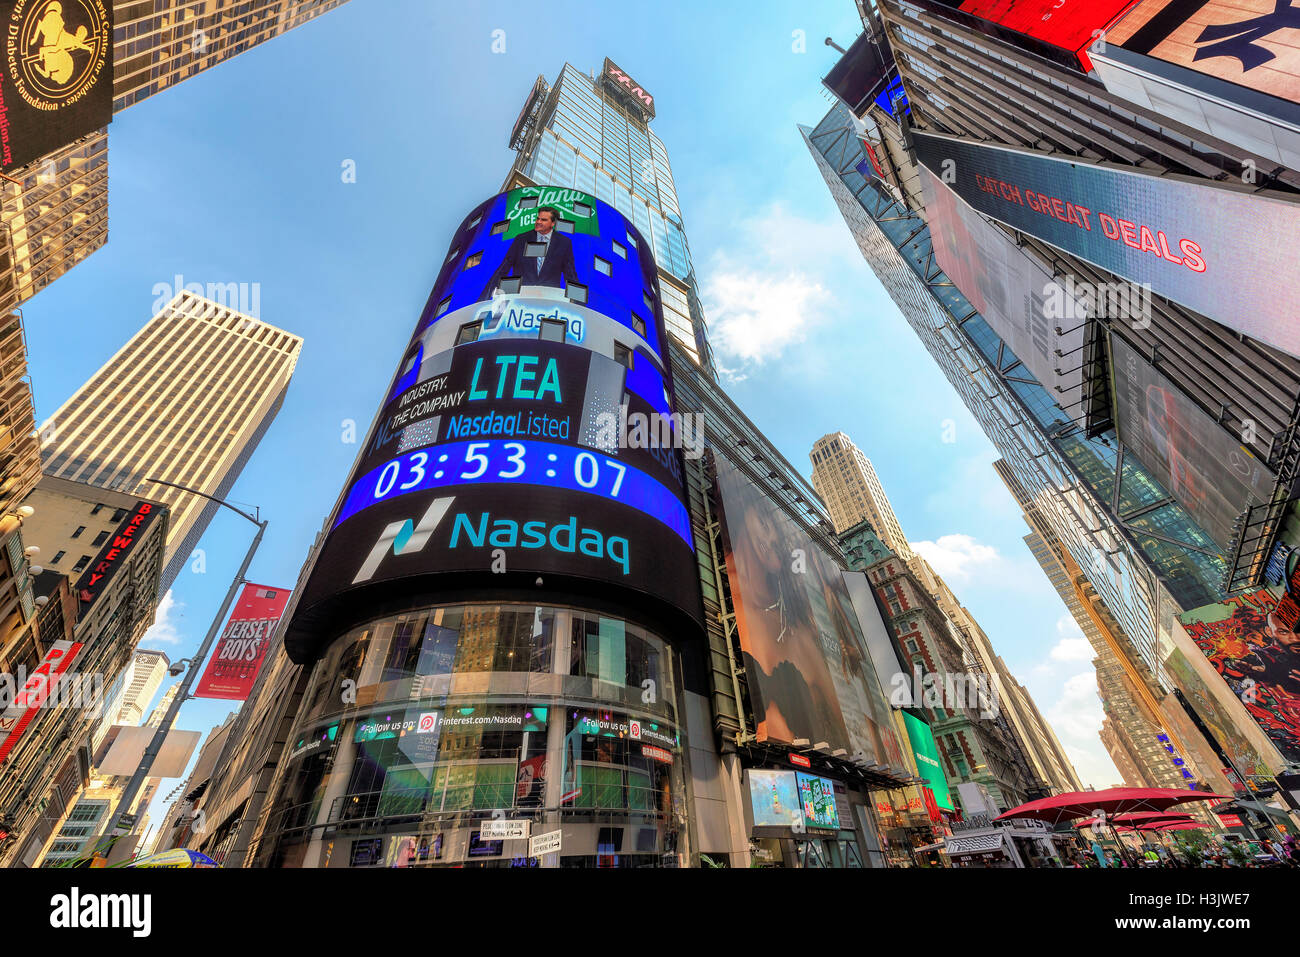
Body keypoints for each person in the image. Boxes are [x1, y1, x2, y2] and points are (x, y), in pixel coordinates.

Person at [481, 206, 579, 297]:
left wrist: (578, 303)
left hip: (549, 297)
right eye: (538, 218)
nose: (538, 222)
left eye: (544, 220)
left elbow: (570, 273)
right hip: (521, 296)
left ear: (553, 223)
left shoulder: (564, 242)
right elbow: (504, 267)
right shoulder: (521, 239)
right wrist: (486, 295)